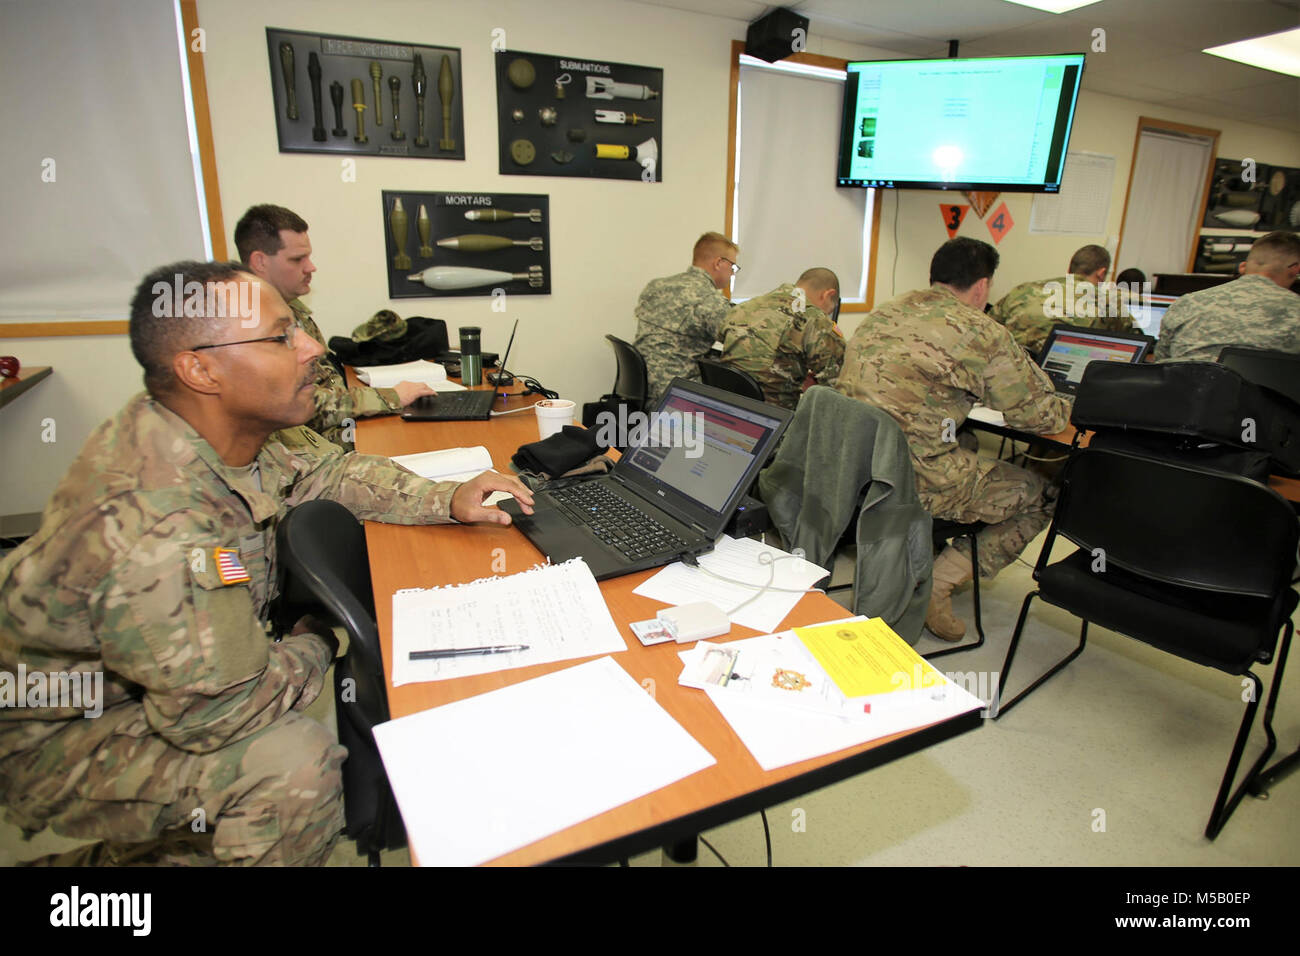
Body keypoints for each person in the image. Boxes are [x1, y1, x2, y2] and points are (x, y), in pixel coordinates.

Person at [0, 261, 533, 865]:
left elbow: (331, 472)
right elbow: (219, 714)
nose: (310, 348)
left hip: (165, 680)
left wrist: (447, 496)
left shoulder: (227, 426)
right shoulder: (160, 523)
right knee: (291, 773)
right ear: (201, 369)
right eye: (281, 337)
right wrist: (319, 640)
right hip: (59, 734)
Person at [837, 238, 1071, 642]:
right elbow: (1039, 417)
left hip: (855, 468)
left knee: (970, 445)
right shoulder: (981, 330)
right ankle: (939, 584)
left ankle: (918, 561)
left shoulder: (884, 312)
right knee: (1045, 495)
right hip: (914, 477)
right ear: (981, 287)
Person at [234, 204, 436, 448]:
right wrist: (391, 397)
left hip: (337, 439)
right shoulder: (245, 328)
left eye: (308, 257)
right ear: (260, 261)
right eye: (298, 259)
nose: (311, 267)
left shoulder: (292, 310)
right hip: (311, 456)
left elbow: (325, 380)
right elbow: (303, 405)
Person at [1155, 231, 1300, 363]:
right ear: (1295, 269)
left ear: (1242, 267)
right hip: (1253, 391)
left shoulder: (1188, 302)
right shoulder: (1295, 310)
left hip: (1182, 389)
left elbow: (1160, 363)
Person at [717, 268, 845, 410]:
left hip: (726, 408)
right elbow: (839, 385)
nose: (826, 314)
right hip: (776, 417)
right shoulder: (815, 319)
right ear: (828, 295)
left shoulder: (745, 306)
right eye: (829, 310)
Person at [633, 232, 737, 405]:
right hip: (674, 396)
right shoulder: (710, 300)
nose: (732, 273)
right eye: (733, 267)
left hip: (642, 388)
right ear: (719, 263)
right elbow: (737, 341)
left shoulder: (656, 285)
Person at [990, 244, 1135, 355]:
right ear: (1101, 273)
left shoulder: (1023, 289)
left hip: (1011, 372)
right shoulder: (1107, 301)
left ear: (1070, 268)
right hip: (1063, 377)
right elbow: (1137, 342)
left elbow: (988, 325)